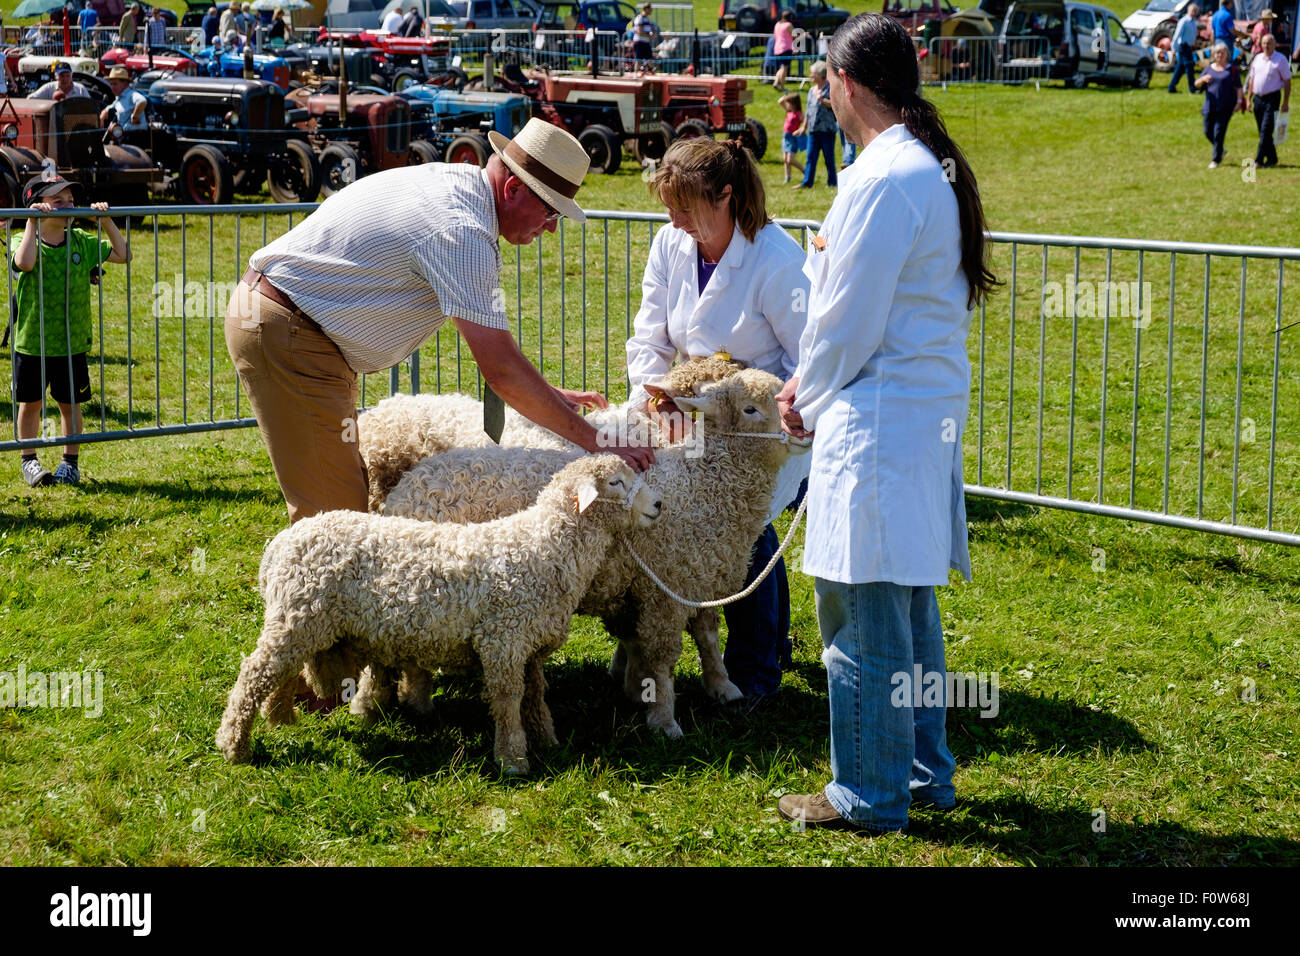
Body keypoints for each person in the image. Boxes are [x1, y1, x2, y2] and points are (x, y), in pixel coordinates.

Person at [774, 12, 996, 834]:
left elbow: (845, 321)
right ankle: (921, 773)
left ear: (846, 83)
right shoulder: (915, 168)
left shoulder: (881, 178)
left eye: (826, 80)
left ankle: (867, 794)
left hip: (876, 421)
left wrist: (804, 393)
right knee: (905, 614)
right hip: (908, 418)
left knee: (862, 620)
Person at [225, 118, 655, 524]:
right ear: (513, 190)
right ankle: (311, 598)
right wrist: (599, 443)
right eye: (551, 213)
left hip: (300, 328)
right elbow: (501, 368)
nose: (551, 229)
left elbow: (493, 348)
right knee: (337, 525)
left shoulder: (461, 195)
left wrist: (542, 395)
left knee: (343, 504)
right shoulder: (462, 230)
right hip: (293, 332)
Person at [626, 137, 810, 701]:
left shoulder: (776, 261)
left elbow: (811, 355)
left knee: (747, 530)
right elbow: (650, 335)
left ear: (726, 196)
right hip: (688, 418)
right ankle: (701, 653)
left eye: (685, 207)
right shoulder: (670, 243)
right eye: (669, 208)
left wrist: (784, 411)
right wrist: (650, 396)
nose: (675, 220)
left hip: (761, 429)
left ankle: (755, 670)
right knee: (698, 527)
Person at [9, 176, 131, 488]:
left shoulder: (80, 241)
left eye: (70, 200)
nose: (68, 205)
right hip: (32, 341)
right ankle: (29, 460)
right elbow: (24, 263)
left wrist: (105, 221)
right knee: (31, 404)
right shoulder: (25, 241)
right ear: (37, 205)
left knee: (70, 405)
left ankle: (69, 462)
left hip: (71, 341)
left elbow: (123, 254)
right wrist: (32, 223)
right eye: (58, 200)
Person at [1195, 41, 1244, 167]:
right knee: (1207, 131)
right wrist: (1203, 79)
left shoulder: (1231, 70)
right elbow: (1196, 84)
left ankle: (1215, 159)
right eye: (1217, 53)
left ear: (1227, 55)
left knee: (1218, 132)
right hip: (1210, 105)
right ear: (1214, 55)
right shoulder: (1208, 69)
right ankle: (1221, 149)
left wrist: (1239, 102)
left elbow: (1239, 87)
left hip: (1226, 106)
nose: (1220, 55)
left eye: (1223, 53)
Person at [1246, 32, 1291, 167]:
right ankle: (1272, 158)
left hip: (1272, 98)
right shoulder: (1257, 58)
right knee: (1262, 131)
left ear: (1274, 45)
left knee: (1266, 129)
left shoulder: (1280, 60)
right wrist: (1248, 99)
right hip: (1258, 99)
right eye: (1264, 43)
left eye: (1269, 43)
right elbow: (1252, 79)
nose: (1266, 46)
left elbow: (1287, 82)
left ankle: (1258, 160)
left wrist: (1285, 102)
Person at [793, 61, 836, 189]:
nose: (810, 75)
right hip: (813, 130)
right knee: (810, 157)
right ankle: (807, 182)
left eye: (813, 73)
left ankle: (832, 182)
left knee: (828, 158)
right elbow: (809, 111)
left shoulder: (830, 88)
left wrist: (822, 100)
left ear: (820, 75)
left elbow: (834, 105)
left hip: (827, 130)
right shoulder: (812, 90)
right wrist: (803, 127)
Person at [100, 66, 149, 149]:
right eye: (111, 84)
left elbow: (142, 101)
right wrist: (104, 113)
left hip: (135, 137)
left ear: (125, 83)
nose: (112, 87)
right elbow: (111, 106)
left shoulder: (131, 95)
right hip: (123, 137)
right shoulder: (119, 99)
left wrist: (135, 116)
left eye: (115, 84)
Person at [1169, 3, 1200, 93]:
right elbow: (1177, 35)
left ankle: (1171, 87)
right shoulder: (1184, 21)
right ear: (1188, 11)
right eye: (1192, 11)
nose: (1194, 13)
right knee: (1190, 67)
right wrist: (1173, 48)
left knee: (1180, 68)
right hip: (1183, 47)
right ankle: (1192, 88)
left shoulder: (1193, 21)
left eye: (1195, 11)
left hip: (1189, 47)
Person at [778, 91, 805, 184]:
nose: (787, 104)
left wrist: (801, 129)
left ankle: (805, 170)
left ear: (794, 104)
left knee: (790, 159)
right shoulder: (789, 111)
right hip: (786, 136)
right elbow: (780, 101)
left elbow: (806, 121)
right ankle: (787, 177)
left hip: (793, 137)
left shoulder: (798, 113)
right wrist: (787, 96)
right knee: (785, 159)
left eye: (789, 103)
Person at [773, 10, 795, 91]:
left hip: (777, 48)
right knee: (784, 68)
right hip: (786, 48)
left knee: (781, 67)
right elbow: (794, 35)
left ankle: (776, 82)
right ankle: (782, 87)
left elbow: (775, 36)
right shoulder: (788, 25)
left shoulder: (777, 24)